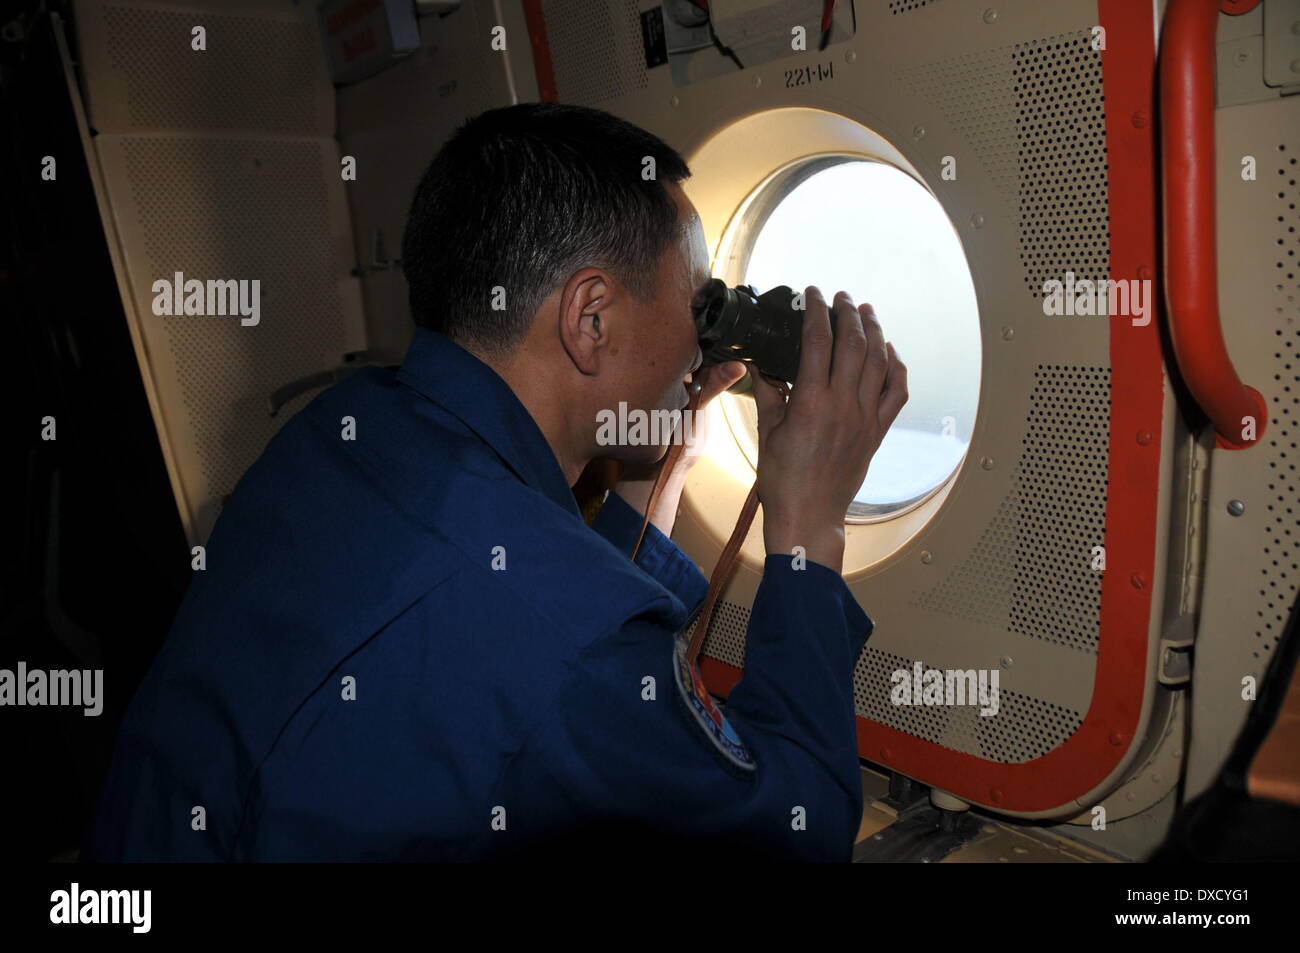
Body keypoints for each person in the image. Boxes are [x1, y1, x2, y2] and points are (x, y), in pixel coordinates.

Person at [82, 102, 907, 862]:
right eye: (698, 307)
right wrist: (808, 529)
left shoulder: (336, 433)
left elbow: (489, 613)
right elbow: (795, 826)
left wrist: (648, 477)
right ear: (591, 320)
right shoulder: (565, 638)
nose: (701, 345)